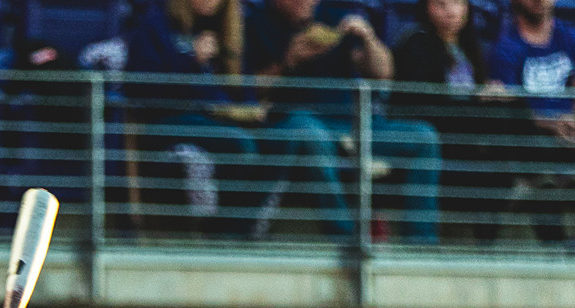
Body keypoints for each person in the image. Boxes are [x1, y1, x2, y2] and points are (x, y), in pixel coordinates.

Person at [244, 0, 441, 242]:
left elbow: (383, 74)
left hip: (350, 123)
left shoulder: (336, 19)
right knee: (310, 132)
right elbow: (249, 89)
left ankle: (421, 240)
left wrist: (368, 38)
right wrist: (289, 60)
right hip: (296, 121)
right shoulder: (256, 24)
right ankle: (345, 235)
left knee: (423, 136)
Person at [124, 0, 264, 236]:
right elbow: (142, 89)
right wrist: (191, 60)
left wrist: (251, 109)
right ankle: (223, 230)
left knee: (274, 140)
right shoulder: (157, 24)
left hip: (219, 119)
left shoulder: (230, 28)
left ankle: (245, 229)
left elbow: (242, 87)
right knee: (240, 145)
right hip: (166, 120)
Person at [484, 0, 575, 244]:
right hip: (531, 138)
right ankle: (554, 245)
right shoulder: (506, 48)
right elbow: (512, 108)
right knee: (536, 157)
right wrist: (552, 124)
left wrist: (573, 119)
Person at [390, 0, 502, 234]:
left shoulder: (470, 47)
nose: (450, 11)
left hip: (469, 138)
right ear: (426, 8)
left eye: (457, 3)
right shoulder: (416, 43)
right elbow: (419, 104)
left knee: (508, 111)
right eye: (441, 4)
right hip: (436, 136)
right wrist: (475, 103)